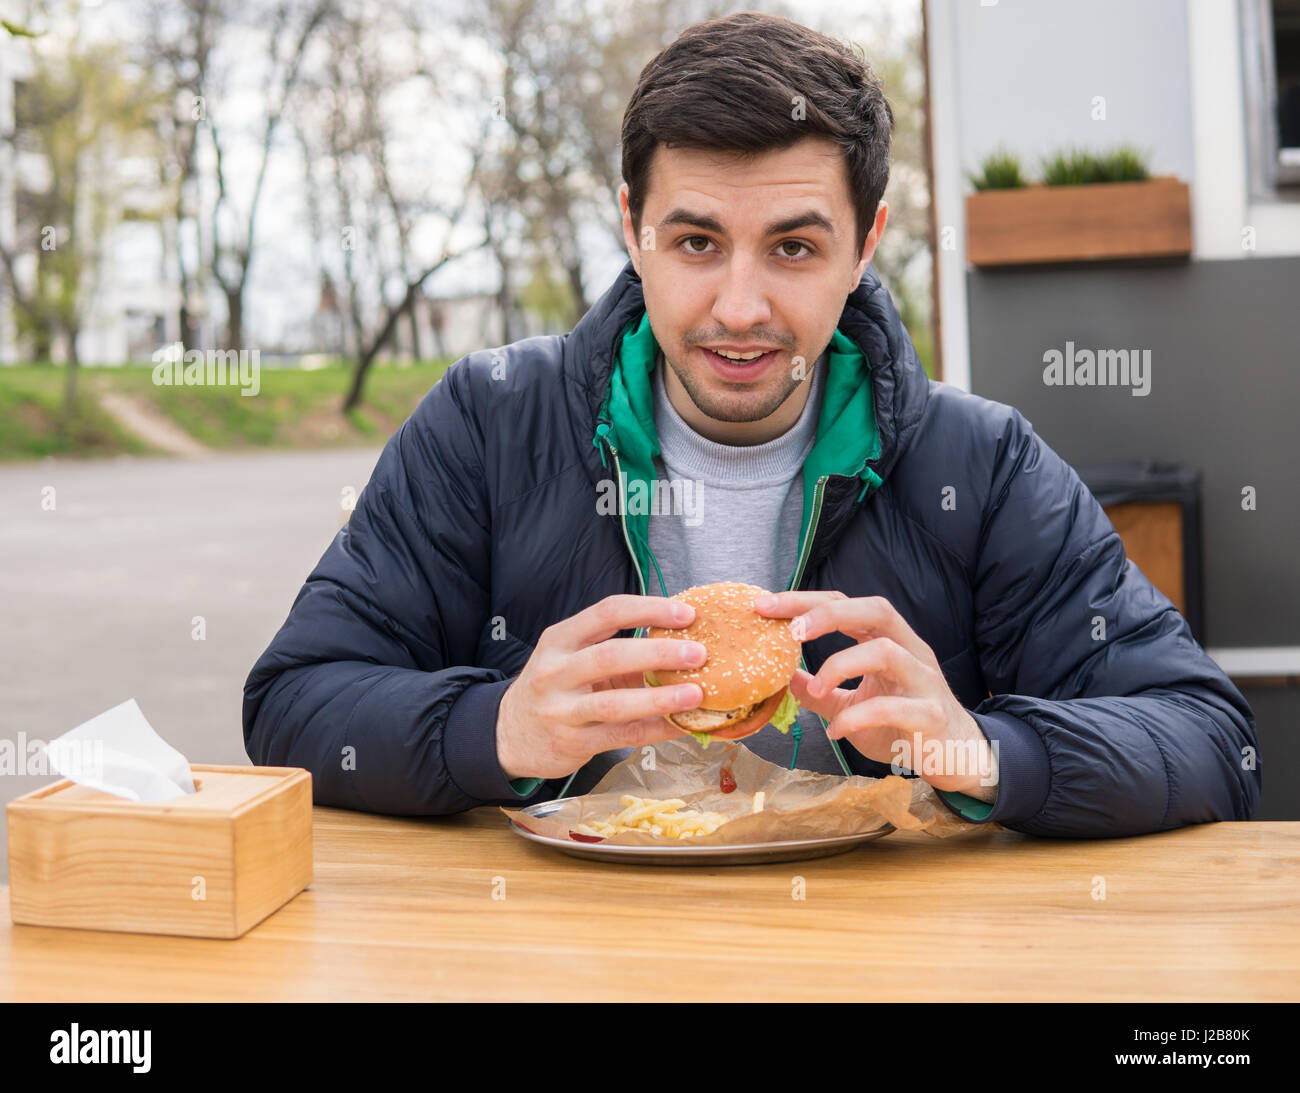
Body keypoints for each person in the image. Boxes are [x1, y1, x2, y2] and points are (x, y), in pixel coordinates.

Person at [243, 12, 1260, 837]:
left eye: (791, 247)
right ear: (632, 227)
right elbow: (293, 704)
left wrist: (983, 749)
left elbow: (1211, 741)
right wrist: (493, 727)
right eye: (695, 240)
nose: (738, 307)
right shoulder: (488, 422)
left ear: (865, 245)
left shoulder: (980, 463)